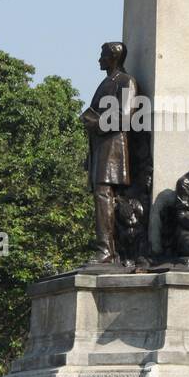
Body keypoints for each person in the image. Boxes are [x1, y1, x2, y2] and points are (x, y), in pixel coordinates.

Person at [81, 42, 139, 264]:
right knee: (101, 197)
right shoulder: (106, 82)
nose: (99, 59)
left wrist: (96, 123)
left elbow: (125, 118)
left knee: (103, 195)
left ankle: (106, 250)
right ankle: (108, 248)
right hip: (100, 147)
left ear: (113, 57)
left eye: (102, 55)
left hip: (112, 147)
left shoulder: (126, 82)